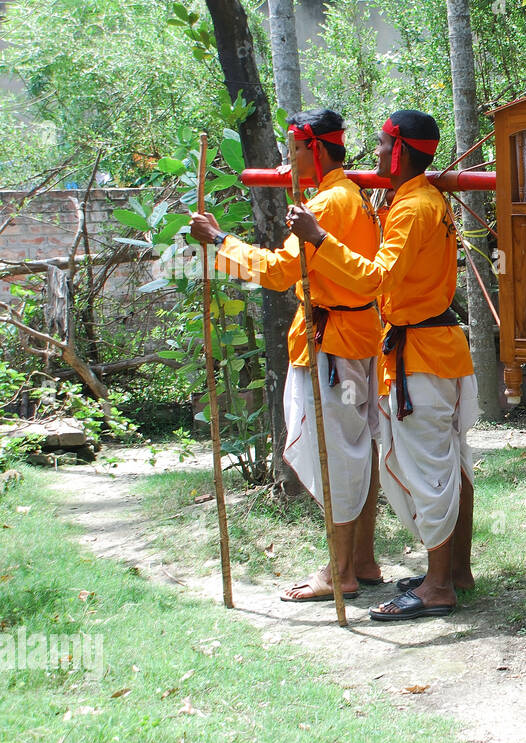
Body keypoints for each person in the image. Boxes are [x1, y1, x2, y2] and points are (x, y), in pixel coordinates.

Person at [287, 110, 476, 621]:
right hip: (432, 349)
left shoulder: (412, 208)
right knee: (448, 465)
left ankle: (439, 587)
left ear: (397, 150)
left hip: (424, 357)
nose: (372, 156)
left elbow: (375, 281)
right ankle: (455, 572)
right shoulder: (419, 201)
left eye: (379, 145)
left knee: (430, 469)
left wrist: (318, 238)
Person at [189, 108, 385, 602]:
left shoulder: (329, 203)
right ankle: (362, 560)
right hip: (355, 341)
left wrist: (219, 241)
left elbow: (279, 273)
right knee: (358, 450)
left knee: (337, 454)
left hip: (332, 347)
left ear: (313, 148)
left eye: (292, 149)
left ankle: (340, 572)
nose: (288, 159)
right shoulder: (354, 198)